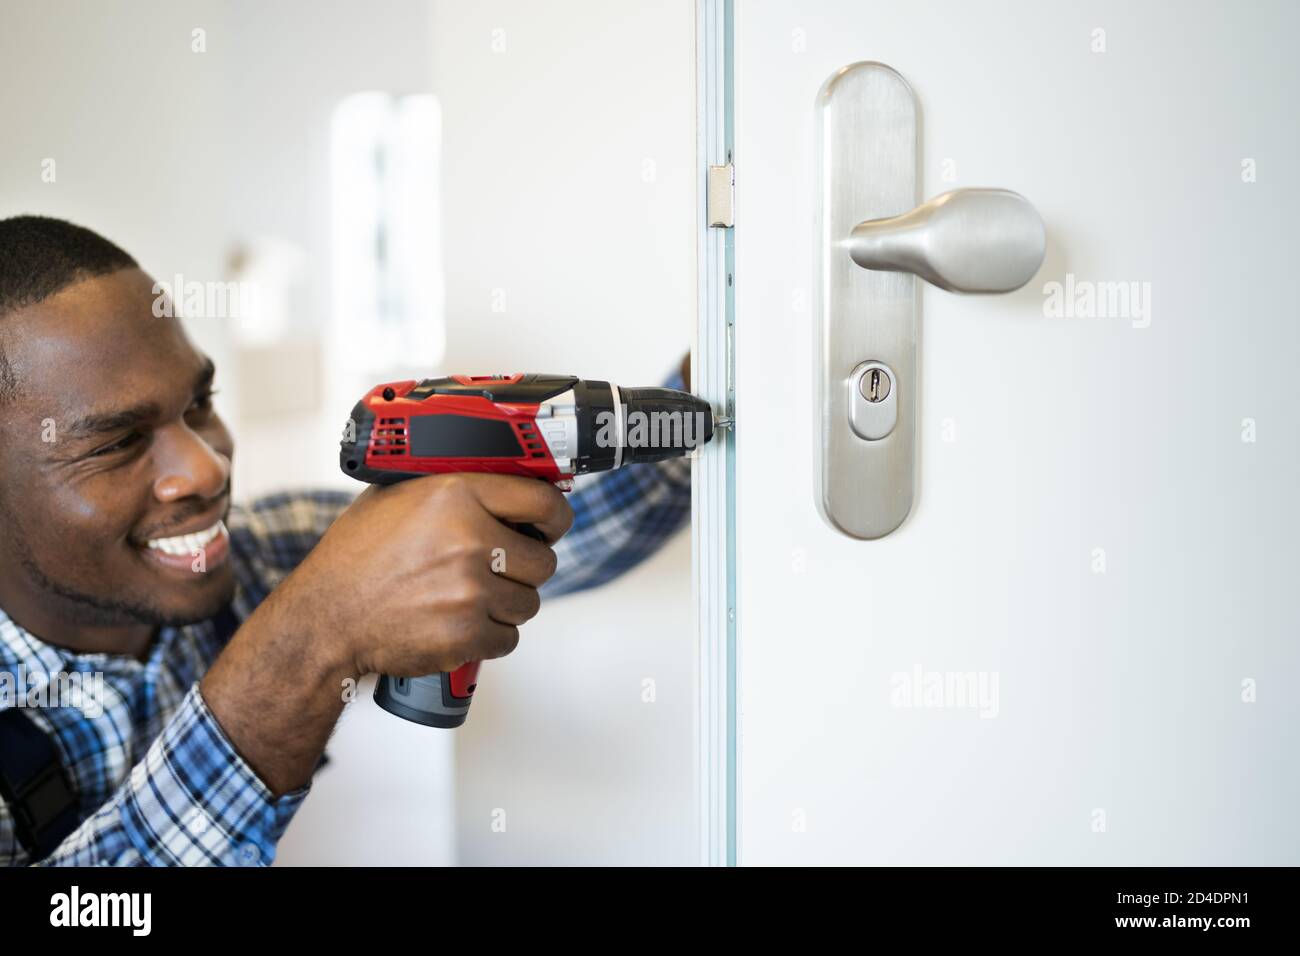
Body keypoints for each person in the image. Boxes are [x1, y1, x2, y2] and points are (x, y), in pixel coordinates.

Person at [0, 215, 693, 866]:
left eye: (200, 406)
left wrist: (708, 394)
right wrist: (308, 637)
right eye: (119, 442)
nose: (208, 468)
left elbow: (556, 548)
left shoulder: (262, 551)